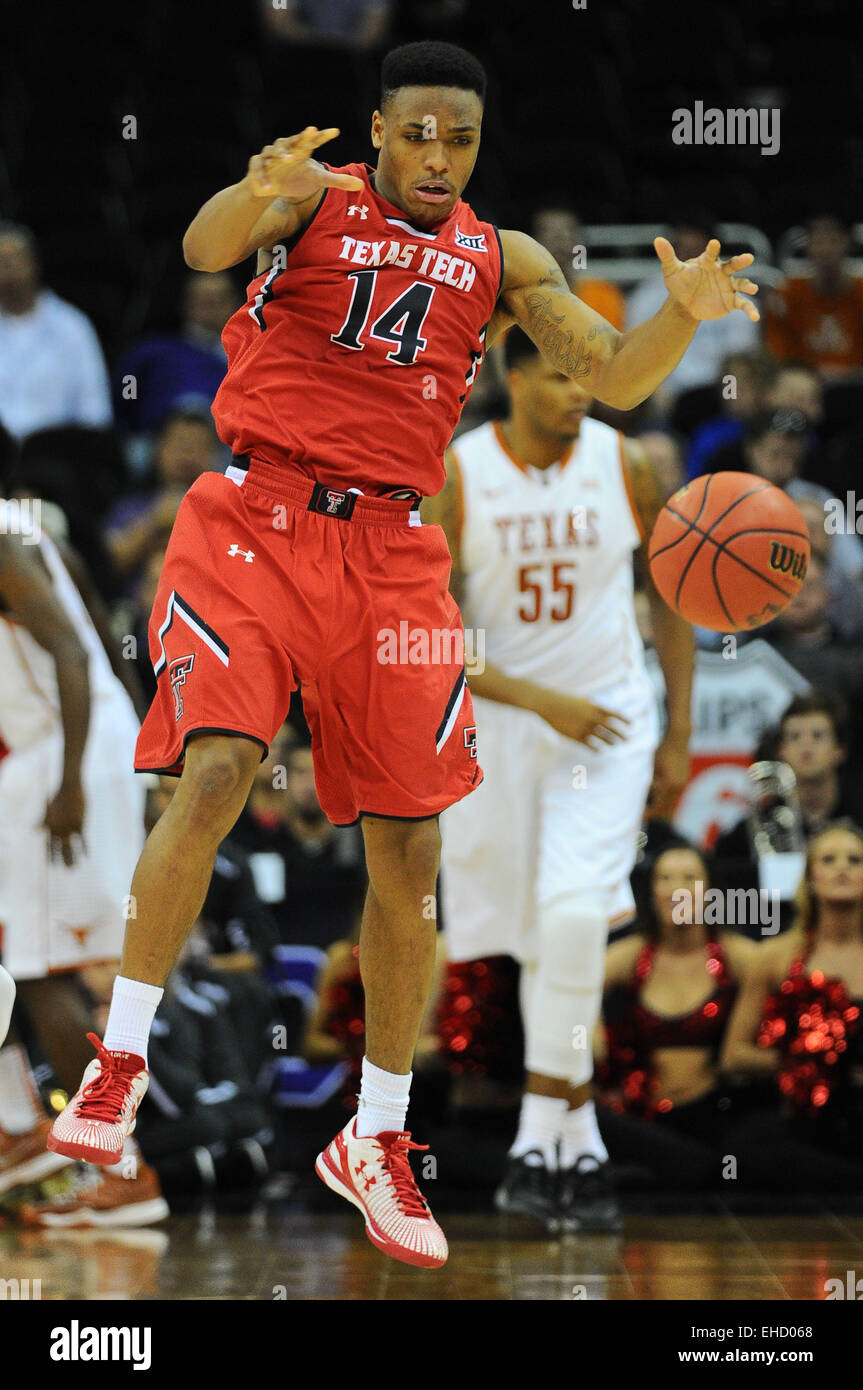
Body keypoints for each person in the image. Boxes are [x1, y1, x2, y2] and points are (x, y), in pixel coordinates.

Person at [47, 40, 758, 1269]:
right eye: (416, 133)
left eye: (460, 139)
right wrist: (263, 193)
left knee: (411, 844)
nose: (436, 157)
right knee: (217, 770)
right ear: (376, 130)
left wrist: (676, 320)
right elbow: (202, 249)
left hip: (391, 554)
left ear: (478, 148)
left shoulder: (505, 257)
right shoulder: (314, 198)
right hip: (254, 523)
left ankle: (375, 1135)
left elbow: (619, 383)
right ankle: (116, 1064)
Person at [430, 325, 695, 1230]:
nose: (578, 391)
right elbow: (433, 635)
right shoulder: (457, 475)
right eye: (556, 375)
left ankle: (536, 1136)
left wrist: (678, 732)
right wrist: (537, 700)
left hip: (610, 723)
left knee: (576, 916)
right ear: (509, 378)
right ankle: (569, 1145)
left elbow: (669, 596)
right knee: (534, 938)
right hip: (501, 730)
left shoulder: (625, 465)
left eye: (587, 374)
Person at [0, 503, 165, 1225]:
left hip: (58, 764)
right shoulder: (34, 526)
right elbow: (103, 634)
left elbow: (70, 649)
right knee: (31, 961)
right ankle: (19, 1128)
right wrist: (144, 751)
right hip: (95, 748)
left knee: (37, 972)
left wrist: (69, 781)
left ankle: (120, 1169)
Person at [597, 841, 758, 1193]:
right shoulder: (630, 956)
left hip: (716, 1113)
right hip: (642, 1118)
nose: (677, 889)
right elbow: (573, 989)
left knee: (745, 1150)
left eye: (689, 878)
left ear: (711, 891)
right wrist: (593, 1042)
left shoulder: (740, 957)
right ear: (651, 891)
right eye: (666, 878)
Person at [720, 821, 863, 1193]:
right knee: (742, 1153)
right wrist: (806, 1063)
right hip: (798, 1116)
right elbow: (734, 1055)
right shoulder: (776, 956)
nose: (843, 868)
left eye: (855, 859)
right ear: (810, 877)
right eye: (829, 859)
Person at [625, 212, 759, 409]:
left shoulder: (739, 302)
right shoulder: (645, 299)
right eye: (683, 250)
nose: (690, 260)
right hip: (666, 398)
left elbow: (741, 362)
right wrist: (656, 393)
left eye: (696, 251)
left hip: (719, 397)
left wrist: (729, 400)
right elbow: (634, 356)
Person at [0, 223, 112, 441]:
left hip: (54, 458)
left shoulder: (72, 326)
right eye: (1, 263)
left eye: (14, 260)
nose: (8, 269)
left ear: (34, 264)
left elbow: (94, 406)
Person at [114, 271, 240, 443]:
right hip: (153, 443)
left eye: (218, 300)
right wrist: (135, 420)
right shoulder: (151, 352)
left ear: (235, 302)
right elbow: (126, 389)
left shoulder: (248, 358)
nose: (210, 308)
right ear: (186, 303)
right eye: (202, 301)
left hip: (226, 451)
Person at [766, 214, 863, 378]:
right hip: (801, 385)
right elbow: (777, 355)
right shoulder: (787, 296)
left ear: (846, 243)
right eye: (819, 242)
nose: (826, 250)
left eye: (833, 241)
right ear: (808, 246)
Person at [532, 207, 625, 330]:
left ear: (578, 241)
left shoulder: (602, 292)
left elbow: (612, 345)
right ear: (532, 240)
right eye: (548, 231)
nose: (558, 239)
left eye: (567, 230)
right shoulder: (516, 297)